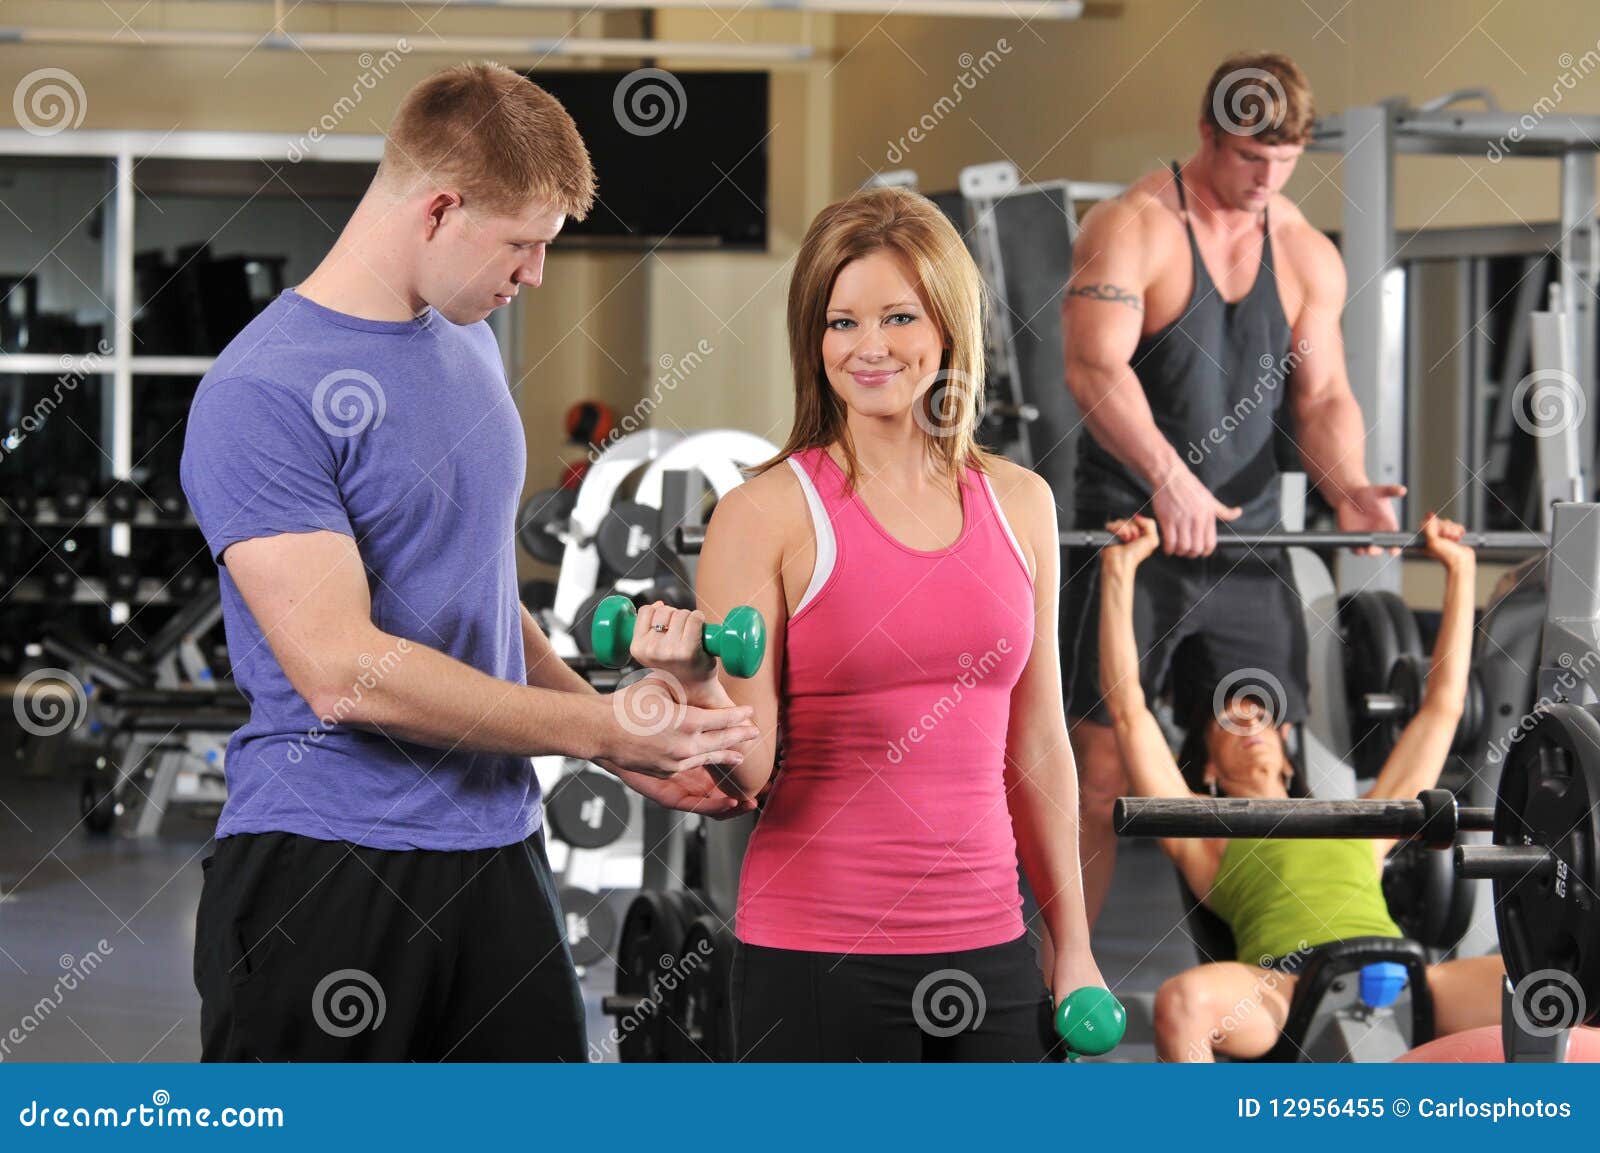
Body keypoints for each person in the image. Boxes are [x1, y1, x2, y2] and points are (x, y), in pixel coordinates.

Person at [179, 62, 757, 1062]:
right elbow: (341, 671)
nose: (533, 274)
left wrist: (618, 741)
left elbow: (482, 600)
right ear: (440, 207)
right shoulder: (263, 390)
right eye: (523, 244)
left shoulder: (467, 344)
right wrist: (598, 722)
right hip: (327, 869)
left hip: (496, 852)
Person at [623, 186, 1106, 1062]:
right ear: (814, 341)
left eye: (898, 316)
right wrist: (695, 684)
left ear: (949, 327)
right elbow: (750, 772)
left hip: (988, 944)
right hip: (816, 952)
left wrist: (1070, 944)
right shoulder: (764, 513)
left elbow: (1037, 743)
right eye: (841, 323)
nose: (871, 347)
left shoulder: (1020, 504)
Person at [1060, 51, 1405, 925]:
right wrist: (1168, 478)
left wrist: (1349, 486)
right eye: (1251, 156)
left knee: (1257, 758)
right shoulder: (1132, 225)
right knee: (1098, 770)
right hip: (1130, 544)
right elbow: (1092, 366)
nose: (1267, 178)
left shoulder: (1302, 251)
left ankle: (1262, 979)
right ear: (1209, 132)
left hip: (1249, 549)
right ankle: (1066, 984)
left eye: (1285, 161)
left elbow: (1323, 395)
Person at [1099, 513, 1504, 1061]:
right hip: (1283, 989)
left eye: (1259, 717)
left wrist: (1461, 571)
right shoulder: (1203, 832)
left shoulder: (1363, 820)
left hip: (1408, 976)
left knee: (1552, 985)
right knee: (1183, 1002)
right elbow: (1128, 713)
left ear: (1288, 754)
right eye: (1228, 723)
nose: (1249, 731)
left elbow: (1441, 710)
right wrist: (1118, 572)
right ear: (1209, 771)